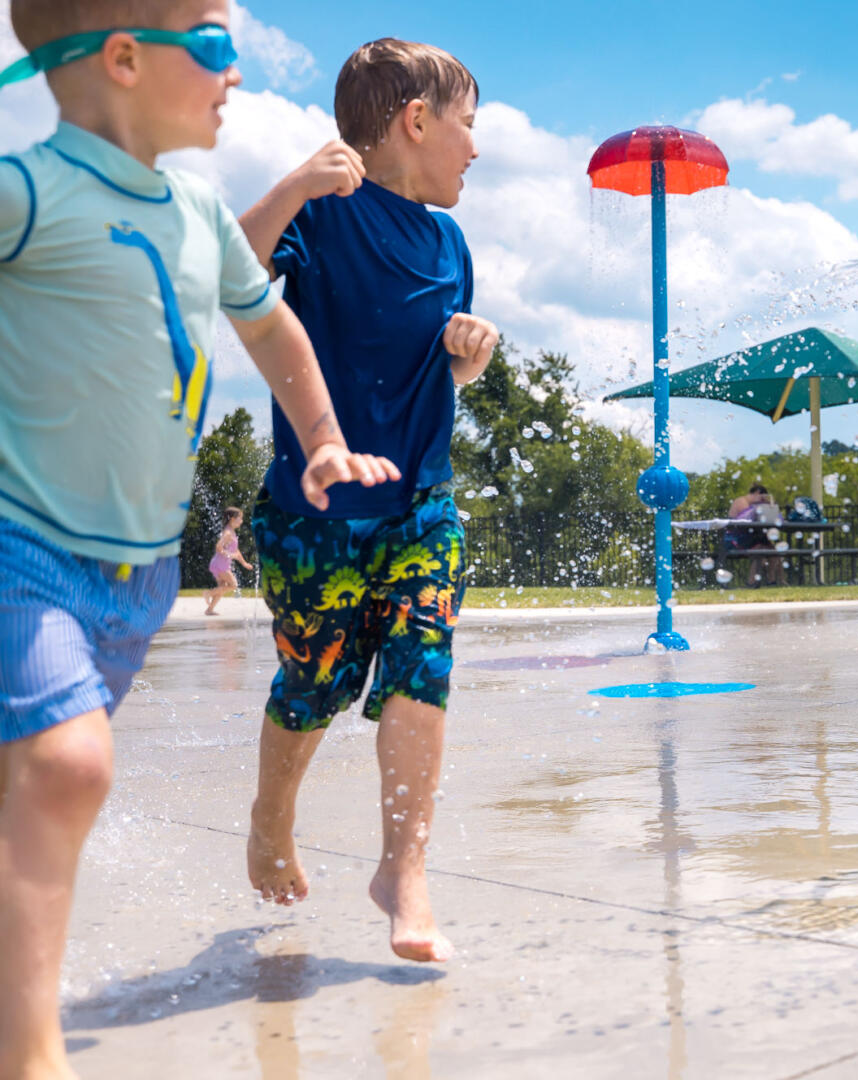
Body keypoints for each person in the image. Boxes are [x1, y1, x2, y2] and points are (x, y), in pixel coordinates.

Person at [0, 2, 396, 1075]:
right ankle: (29, 1051)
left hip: (136, 577)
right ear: (122, 59)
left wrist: (321, 440)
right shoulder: (26, 193)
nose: (236, 71)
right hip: (21, 547)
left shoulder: (201, 212)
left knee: (39, 783)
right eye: (216, 45)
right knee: (66, 768)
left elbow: (271, 329)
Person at [235, 38, 498, 964]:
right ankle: (271, 817)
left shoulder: (450, 241)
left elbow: (431, 378)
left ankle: (406, 868)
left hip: (421, 504)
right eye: (467, 125)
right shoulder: (326, 214)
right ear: (415, 121)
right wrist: (293, 187)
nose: (475, 148)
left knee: (422, 663)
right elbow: (228, 272)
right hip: (311, 516)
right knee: (316, 683)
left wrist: (466, 357)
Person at [726, 483, 788, 587]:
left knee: (773, 550)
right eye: (762, 499)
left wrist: (771, 509)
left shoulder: (754, 505)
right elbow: (748, 519)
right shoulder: (741, 501)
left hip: (750, 538)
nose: (762, 502)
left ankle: (773, 581)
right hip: (735, 540)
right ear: (757, 493)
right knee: (760, 550)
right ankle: (751, 582)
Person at [203, 506, 253, 615]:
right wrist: (230, 555)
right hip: (220, 565)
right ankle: (209, 593)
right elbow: (218, 547)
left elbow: (237, 551)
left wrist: (244, 563)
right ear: (232, 519)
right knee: (234, 585)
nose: (242, 521)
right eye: (240, 518)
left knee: (222, 588)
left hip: (219, 564)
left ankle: (209, 610)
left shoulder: (231, 532)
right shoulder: (228, 533)